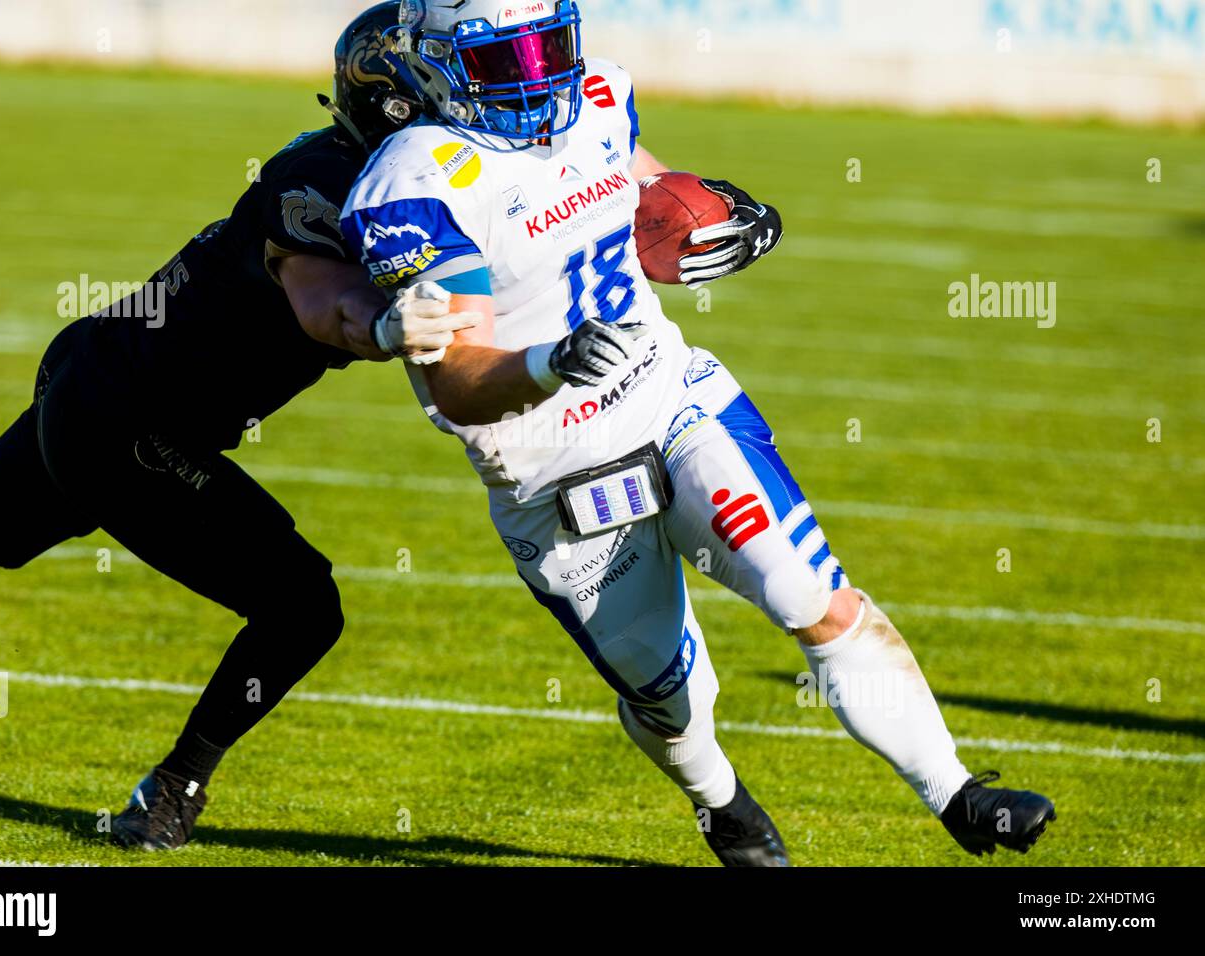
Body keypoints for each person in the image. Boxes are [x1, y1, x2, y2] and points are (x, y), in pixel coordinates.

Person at [338, 0, 1056, 865]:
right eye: (506, 62)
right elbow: (457, 381)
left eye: (550, 48)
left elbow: (647, 197)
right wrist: (551, 362)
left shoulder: (599, 99)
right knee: (668, 694)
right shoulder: (415, 181)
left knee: (809, 595)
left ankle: (959, 793)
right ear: (437, 69)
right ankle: (720, 802)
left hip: (670, 398)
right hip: (551, 471)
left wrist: (711, 219)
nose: (541, 79)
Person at [0, 2, 472, 851]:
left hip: (99, 376)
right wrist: (385, 326)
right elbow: (324, 303)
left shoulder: (384, 171)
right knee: (303, 607)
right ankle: (171, 792)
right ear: (399, 99)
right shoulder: (322, 183)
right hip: (127, 420)